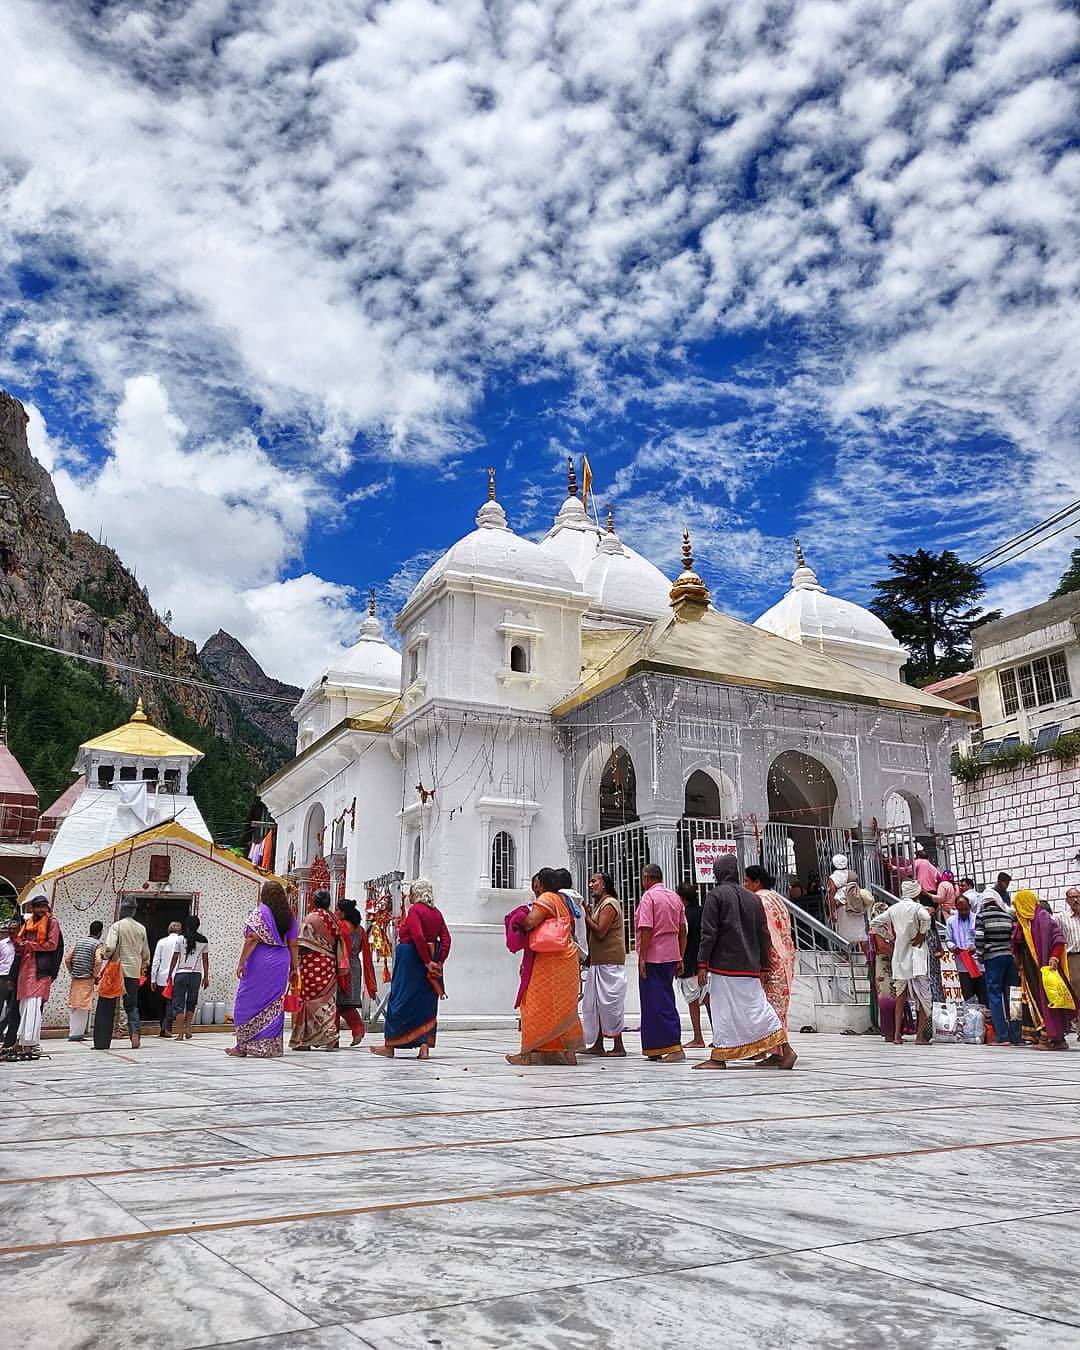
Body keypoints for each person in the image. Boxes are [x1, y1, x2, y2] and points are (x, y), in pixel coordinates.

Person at [694, 854, 796, 1070]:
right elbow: (763, 934)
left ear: (718, 872)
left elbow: (708, 933)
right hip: (751, 966)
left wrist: (702, 963)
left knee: (722, 1010)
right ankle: (786, 1050)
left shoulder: (716, 896)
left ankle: (718, 1058)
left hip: (724, 965)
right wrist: (764, 965)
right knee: (757, 1008)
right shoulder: (753, 898)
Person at [506, 867, 582, 1066]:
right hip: (566, 960)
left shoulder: (547, 898)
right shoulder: (563, 900)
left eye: (537, 883)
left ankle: (528, 1053)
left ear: (543, 883)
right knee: (562, 1007)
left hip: (549, 962)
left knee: (534, 1003)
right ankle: (566, 1052)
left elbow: (530, 922)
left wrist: (518, 916)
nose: (535, 887)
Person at [373, 878, 451, 1060]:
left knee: (400, 998)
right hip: (429, 960)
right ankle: (424, 1047)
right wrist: (438, 961)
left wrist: (426, 961)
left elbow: (417, 934)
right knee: (425, 1002)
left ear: (415, 894)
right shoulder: (436, 913)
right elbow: (446, 939)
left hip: (411, 959)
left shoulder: (415, 910)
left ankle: (390, 1046)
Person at [228, 879, 299, 1058]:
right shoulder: (288, 916)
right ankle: (269, 1047)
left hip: (261, 961)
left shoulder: (260, 912)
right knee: (274, 1002)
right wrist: (294, 967)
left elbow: (251, 939)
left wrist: (241, 962)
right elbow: (293, 944)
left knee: (246, 1001)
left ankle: (242, 1046)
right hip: (281, 960)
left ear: (264, 895)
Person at [635, 863, 686, 1063]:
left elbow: (646, 928)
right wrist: (680, 955)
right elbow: (683, 930)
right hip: (671, 954)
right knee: (656, 1001)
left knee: (658, 1002)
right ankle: (654, 1047)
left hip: (653, 956)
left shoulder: (649, 897)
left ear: (647, 878)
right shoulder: (674, 897)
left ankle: (674, 1046)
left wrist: (642, 957)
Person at [870, 881, 931, 1045]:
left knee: (900, 997)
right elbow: (926, 917)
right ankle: (920, 1037)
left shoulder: (894, 909)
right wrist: (922, 933)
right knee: (923, 997)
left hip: (899, 957)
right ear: (916, 895)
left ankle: (897, 1035)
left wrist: (891, 937)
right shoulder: (918, 908)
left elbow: (874, 923)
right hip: (917, 956)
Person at [1012, 888, 1072, 1052]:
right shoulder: (1022, 922)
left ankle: (1051, 1037)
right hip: (1030, 969)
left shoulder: (1043, 918)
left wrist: (1054, 957)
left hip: (1045, 968)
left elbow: (1058, 940)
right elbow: (1017, 942)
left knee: (1048, 1001)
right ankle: (1048, 1037)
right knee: (1035, 1001)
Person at [291, 890, 348, 1052]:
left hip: (311, 965)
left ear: (314, 902)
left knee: (308, 1001)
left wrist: (294, 963)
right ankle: (330, 1037)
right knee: (326, 1002)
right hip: (329, 965)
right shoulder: (333, 920)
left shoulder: (310, 919)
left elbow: (301, 943)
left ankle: (305, 1040)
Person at [744, 865, 796, 1031]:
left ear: (756, 882)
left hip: (771, 959)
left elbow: (763, 933)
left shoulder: (759, 900)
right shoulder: (775, 897)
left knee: (768, 1005)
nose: (744, 885)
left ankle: (778, 1050)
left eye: (746, 881)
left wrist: (762, 963)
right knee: (779, 1004)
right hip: (786, 957)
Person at [581, 871, 627, 1057]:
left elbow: (600, 932)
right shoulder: (600, 905)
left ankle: (618, 1045)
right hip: (599, 961)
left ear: (604, 885)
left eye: (594, 881)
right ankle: (598, 1043)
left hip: (610, 962)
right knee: (595, 1004)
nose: (591, 885)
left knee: (610, 1004)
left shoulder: (609, 904)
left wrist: (586, 916)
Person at [96, 898, 150, 1050]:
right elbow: (145, 953)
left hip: (116, 971)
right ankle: (135, 1034)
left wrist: (103, 954)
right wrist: (142, 964)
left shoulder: (117, 926)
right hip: (133, 971)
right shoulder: (141, 928)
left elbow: (110, 948)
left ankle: (103, 1038)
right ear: (134, 911)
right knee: (131, 1006)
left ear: (122, 910)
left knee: (108, 1004)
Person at [14, 896, 63, 1060]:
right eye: (39, 907)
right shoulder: (27, 924)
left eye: (44, 907)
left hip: (40, 970)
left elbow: (52, 945)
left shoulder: (52, 923)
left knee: (34, 1006)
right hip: (25, 969)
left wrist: (29, 945)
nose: (42, 910)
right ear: (32, 909)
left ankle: (30, 1043)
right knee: (24, 1006)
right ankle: (21, 1041)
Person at [975, 885, 1020, 1046]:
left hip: (993, 958)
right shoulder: (1007, 915)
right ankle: (1017, 1034)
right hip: (1009, 957)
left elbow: (979, 938)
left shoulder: (982, 916)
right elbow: (1013, 937)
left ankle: (1002, 1036)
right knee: (1014, 995)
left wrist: (980, 955)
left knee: (995, 996)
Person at [336, 898, 378, 1047]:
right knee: (346, 1003)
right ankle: (356, 1029)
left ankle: (339, 1034)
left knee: (337, 1003)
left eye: (338, 910)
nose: (336, 912)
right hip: (355, 965)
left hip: (341, 966)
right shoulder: (360, 930)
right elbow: (366, 951)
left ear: (344, 912)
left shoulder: (340, 927)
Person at [675, 883, 708, 1049]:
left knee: (692, 1001)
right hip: (705, 962)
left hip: (688, 963)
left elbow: (682, 938)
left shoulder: (683, 916)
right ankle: (718, 1036)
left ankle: (698, 1037)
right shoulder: (703, 912)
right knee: (708, 999)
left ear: (681, 898)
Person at [167, 914, 209, 1042]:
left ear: (186, 926)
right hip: (196, 974)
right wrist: (206, 976)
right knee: (191, 1001)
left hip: (181, 974)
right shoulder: (203, 940)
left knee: (179, 1003)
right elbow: (205, 960)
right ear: (198, 926)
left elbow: (175, 957)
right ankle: (188, 1029)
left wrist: (169, 973)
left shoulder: (180, 939)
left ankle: (180, 1034)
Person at [65, 920, 104, 1041]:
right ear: (100, 932)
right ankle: (77, 1034)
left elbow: (67, 959)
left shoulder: (79, 941)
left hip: (75, 978)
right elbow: (98, 961)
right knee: (83, 1005)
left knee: (74, 1004)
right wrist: (95, 975)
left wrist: (72, 971)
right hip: (87, 978)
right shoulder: (98, 944)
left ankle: (73, 1032)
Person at [827, 854, 872, 955]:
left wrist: (832, 911)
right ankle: (868, 957)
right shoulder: (853, 875)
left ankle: (846, 956)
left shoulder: (833, 878)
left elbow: (831, 896)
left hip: (842, 907)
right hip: (855, 906)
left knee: (844, 934)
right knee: (861, 934)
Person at [946, 895, 986, 1005]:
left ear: (970, 906)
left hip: (979, 964)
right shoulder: (951, 921)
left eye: (966, 909)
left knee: (983, 995)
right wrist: (953, 947)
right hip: (962, 965)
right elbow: (948, 940)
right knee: (968, 996)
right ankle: (972, 1019)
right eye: (960, 910)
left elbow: (984, 937)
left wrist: (976, 946)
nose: (963, 912)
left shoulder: (978, 919)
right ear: (956, 908)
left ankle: (986, 1021)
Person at [867, 901, 898, 1041]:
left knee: (894, 995)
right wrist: (897, 954)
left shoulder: (888, 927)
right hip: (884, 963)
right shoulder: (877, 927)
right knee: (887, 996)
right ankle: (889, 1031)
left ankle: (895, 1030)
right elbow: (882, 946)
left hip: (889, 963)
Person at [150, 921, 183, 1038]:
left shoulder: (161, 942)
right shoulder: (183, 942)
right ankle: (167, 1028)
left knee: (162, 1004)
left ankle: (162, 1027)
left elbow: (156, 961)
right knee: (171, 1003)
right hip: (176, 976)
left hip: (161, 977)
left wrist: (153, 979)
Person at [0, 917, 22, 1058]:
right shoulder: (2, 944)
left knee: (12, 1010)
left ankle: (8, 1037)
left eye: (14, 928)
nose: (12, 931)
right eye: (10, 929)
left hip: (16, 979)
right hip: (2, 977)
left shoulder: (21, 944)